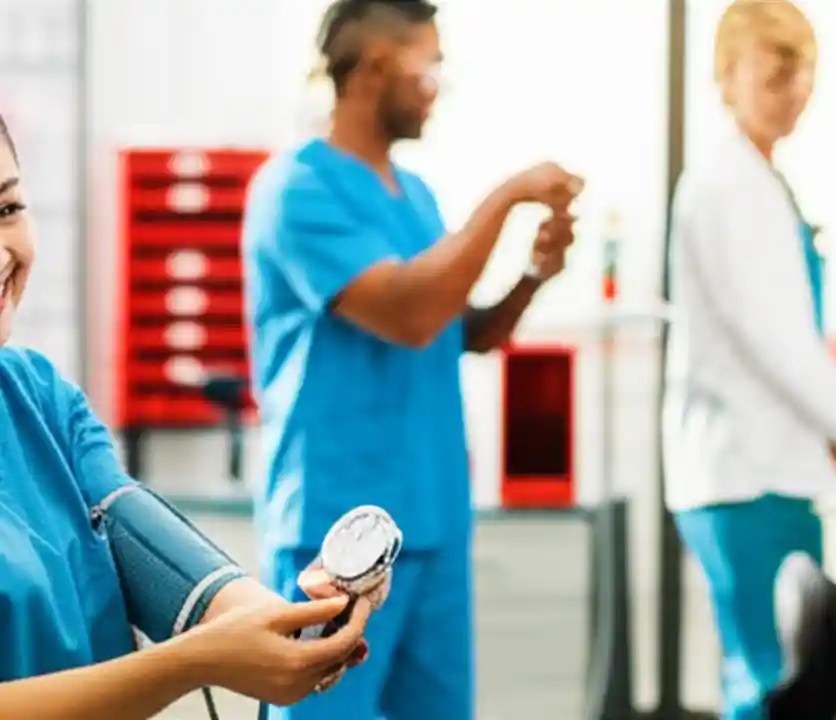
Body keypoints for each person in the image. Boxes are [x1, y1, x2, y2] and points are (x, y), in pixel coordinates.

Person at [241, 2, 583, 718]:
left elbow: (463, 332)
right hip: (335, 534)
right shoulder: (296, 189)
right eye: (429, 68)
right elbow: (408, 313)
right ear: (375, 67)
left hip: (431, 520)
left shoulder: (417, 196)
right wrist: (507, 196)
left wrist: (531, 278)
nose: (437, 89)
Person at [0, 112, 377, 718]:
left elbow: (150, 550)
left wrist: (294, 626)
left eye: (7, 209)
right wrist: (194, 661)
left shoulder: (39, 398)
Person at [661, 1, 836, 717]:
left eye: (804, 78)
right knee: (774, 686)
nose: (794, 94)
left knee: (777, 676)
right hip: (748, 475)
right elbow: (782, 351)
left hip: (763, 472)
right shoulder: (729, 185)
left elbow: (787, 343)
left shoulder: (758, 179)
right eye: (775, 77)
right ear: (726, 76)